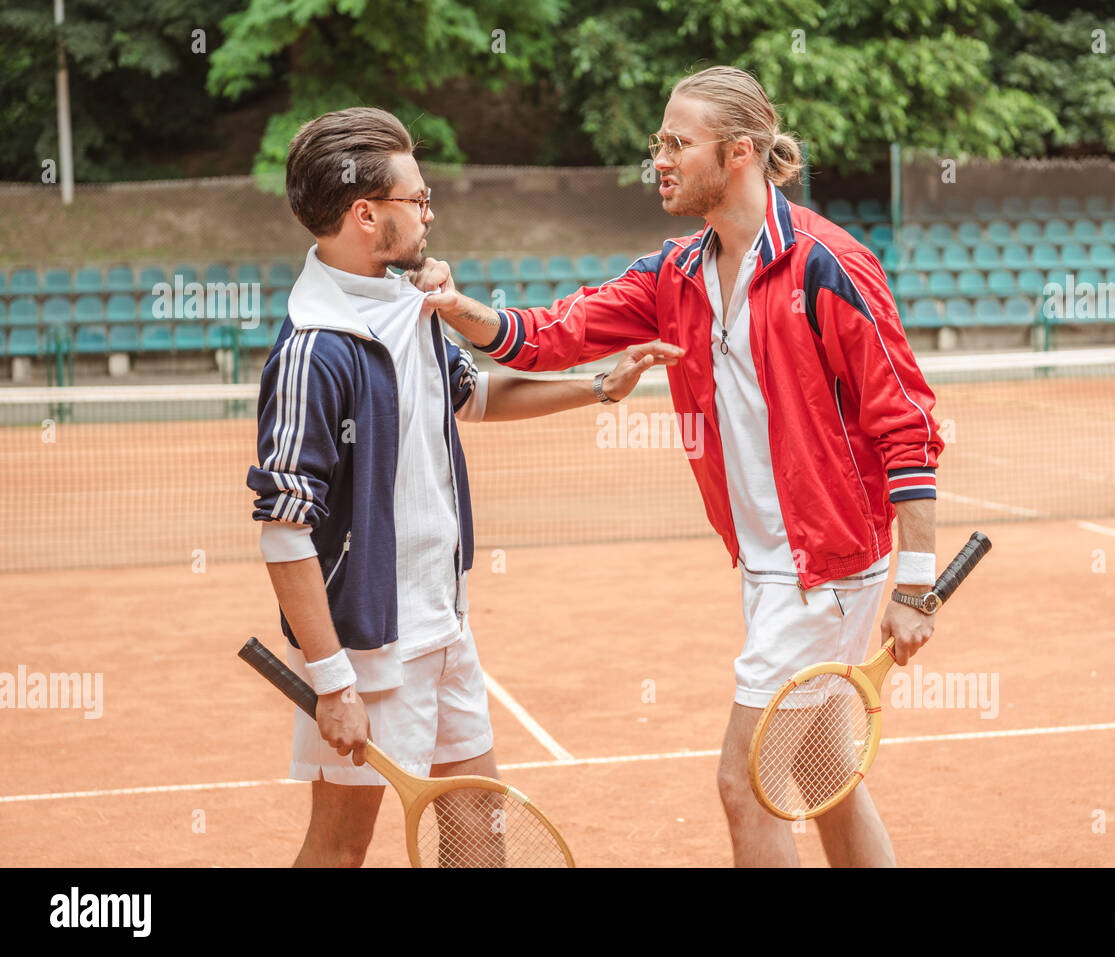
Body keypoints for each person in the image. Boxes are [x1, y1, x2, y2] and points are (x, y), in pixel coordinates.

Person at [411, 67, 946, 867]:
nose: (657, 159)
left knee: (745, 785)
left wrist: (915, 584)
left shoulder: (828, 265)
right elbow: (552, 333)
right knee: (824, 775)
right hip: (770, 565)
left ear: (738, 153)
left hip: (825, 570)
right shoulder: (677, 273)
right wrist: (459, 309)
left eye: (676, 143)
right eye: (658, 142)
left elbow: (906, 420)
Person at [246, 106, 676, 867]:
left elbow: (471, 395)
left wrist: (596, 388)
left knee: (479, 823)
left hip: (443, 623)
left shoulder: (410, 304)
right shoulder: (314, 350)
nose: (430, 212)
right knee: (341, 846)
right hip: (370, 647)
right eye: (418, 198)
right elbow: (284, 530)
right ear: (365, 213)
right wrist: (335, 681)